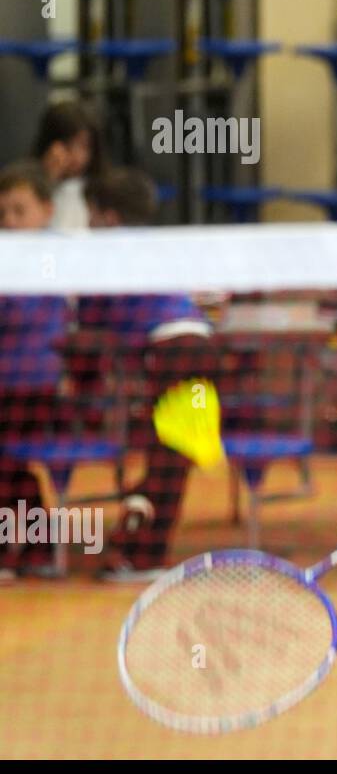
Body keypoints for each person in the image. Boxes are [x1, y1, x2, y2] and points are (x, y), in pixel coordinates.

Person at [78, 167, 217, 580]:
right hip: (203, 349)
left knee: (170, 456)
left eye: (90, 214)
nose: (87, 224)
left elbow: (91, 320)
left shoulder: (105, 253)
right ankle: (141, 547)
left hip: (170, 353)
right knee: (174, 456)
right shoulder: (158, 247)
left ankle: (141, 554)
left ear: (108, 217)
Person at [0, 162, 68, 580]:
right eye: (2, 213)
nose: (8, 221)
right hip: (7, 383)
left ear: (46, 210)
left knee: (8, 461)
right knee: (10, 464)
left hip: (36, 386)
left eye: (18, 211)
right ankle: (37, 545)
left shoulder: (52, 257)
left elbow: (22, 312)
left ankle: (15, 548)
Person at [32, 100, 105, 233]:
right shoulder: (26, 183)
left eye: (84, 146)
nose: (76, 156)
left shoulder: (101, 188)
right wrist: (48, 178)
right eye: (68, 145)